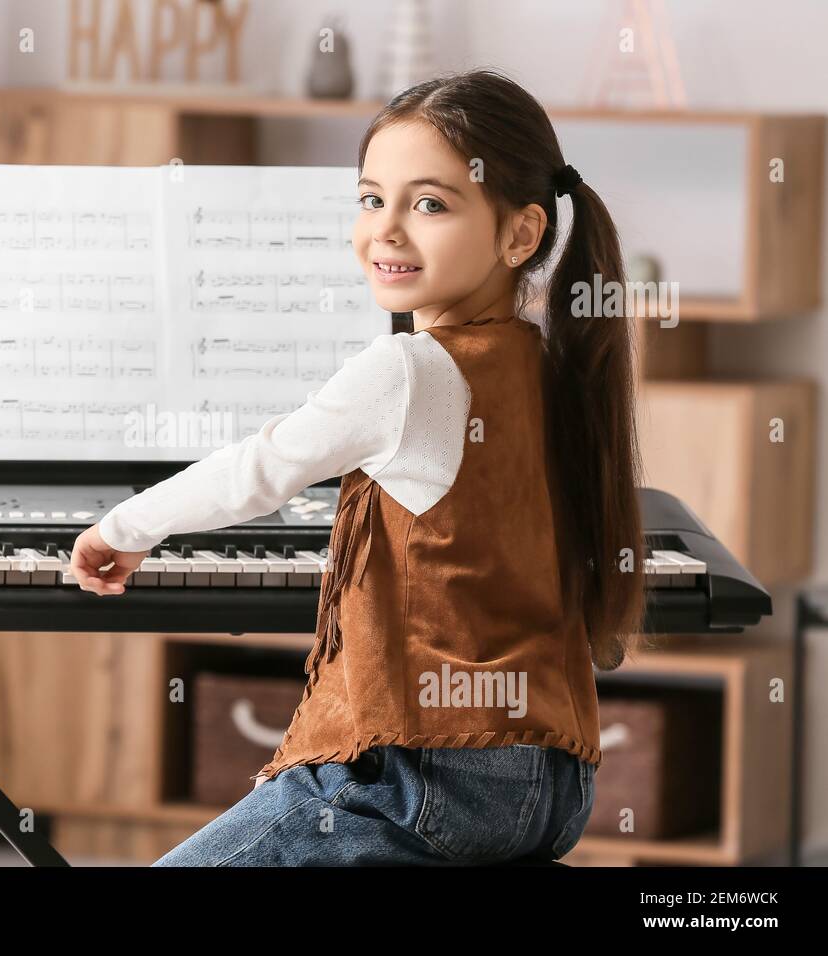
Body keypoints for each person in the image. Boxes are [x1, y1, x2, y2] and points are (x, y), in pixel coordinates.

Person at [68, 69, 647, 866]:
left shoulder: (408, 371)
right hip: (552, 786)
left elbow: (259, 470)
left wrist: (123, 528)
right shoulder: (552, 364)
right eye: (372, 199)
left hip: (420, 777)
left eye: (430, 204)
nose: (388, 231)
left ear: (520, 235)